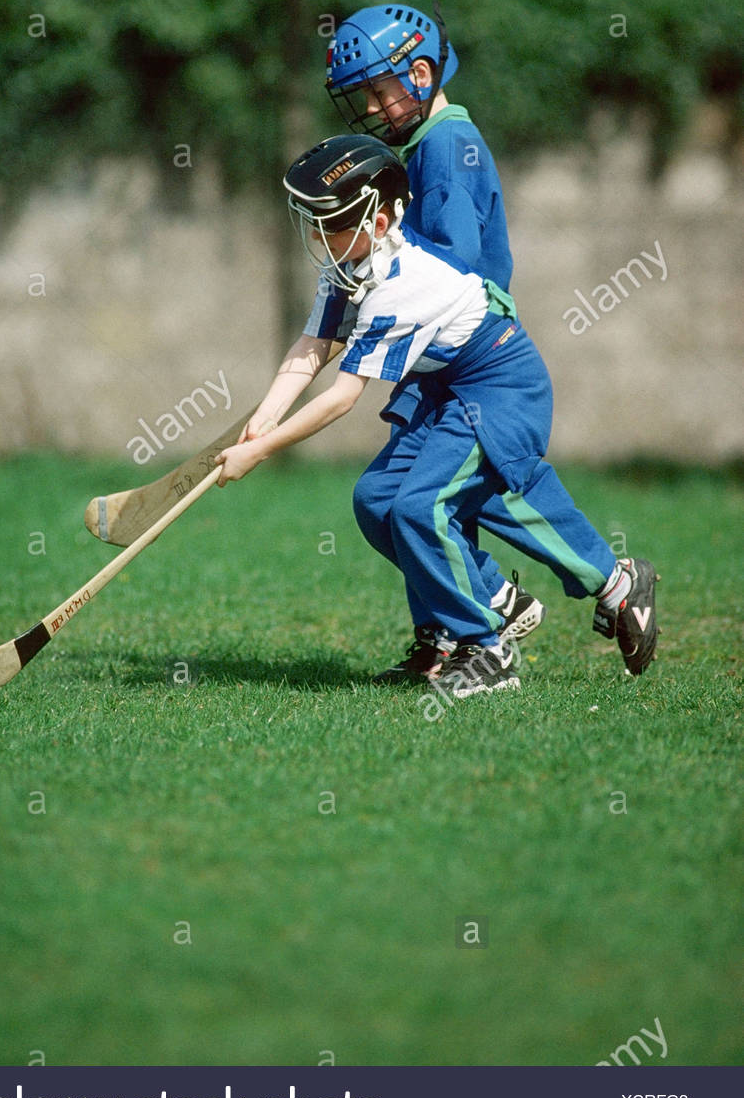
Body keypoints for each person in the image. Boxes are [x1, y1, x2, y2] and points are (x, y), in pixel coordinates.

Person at [215, 135, 658, 694]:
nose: (315, 237)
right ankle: (504, 595)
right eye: (313, 221)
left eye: (331, 222)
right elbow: (312, 343)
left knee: (423, 506)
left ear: (378, 222)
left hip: (500, 387)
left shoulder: (402, 285)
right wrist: (266, 417)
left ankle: (488, 647)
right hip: (445, 388)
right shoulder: (350, 263)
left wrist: (259, 451)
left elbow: (341, 397)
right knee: (377, 501)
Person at [318, 2, 658, 680]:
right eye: (364, 97)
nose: (374, 106)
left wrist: (377, 278)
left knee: (446, 497)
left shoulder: (447, 144)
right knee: (385, 500)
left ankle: (515, 613)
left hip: (472, 358)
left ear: (419, 73)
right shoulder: (416, 145)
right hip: (438, 359)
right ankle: (465, 623)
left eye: (381, 90)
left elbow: (454, 257)